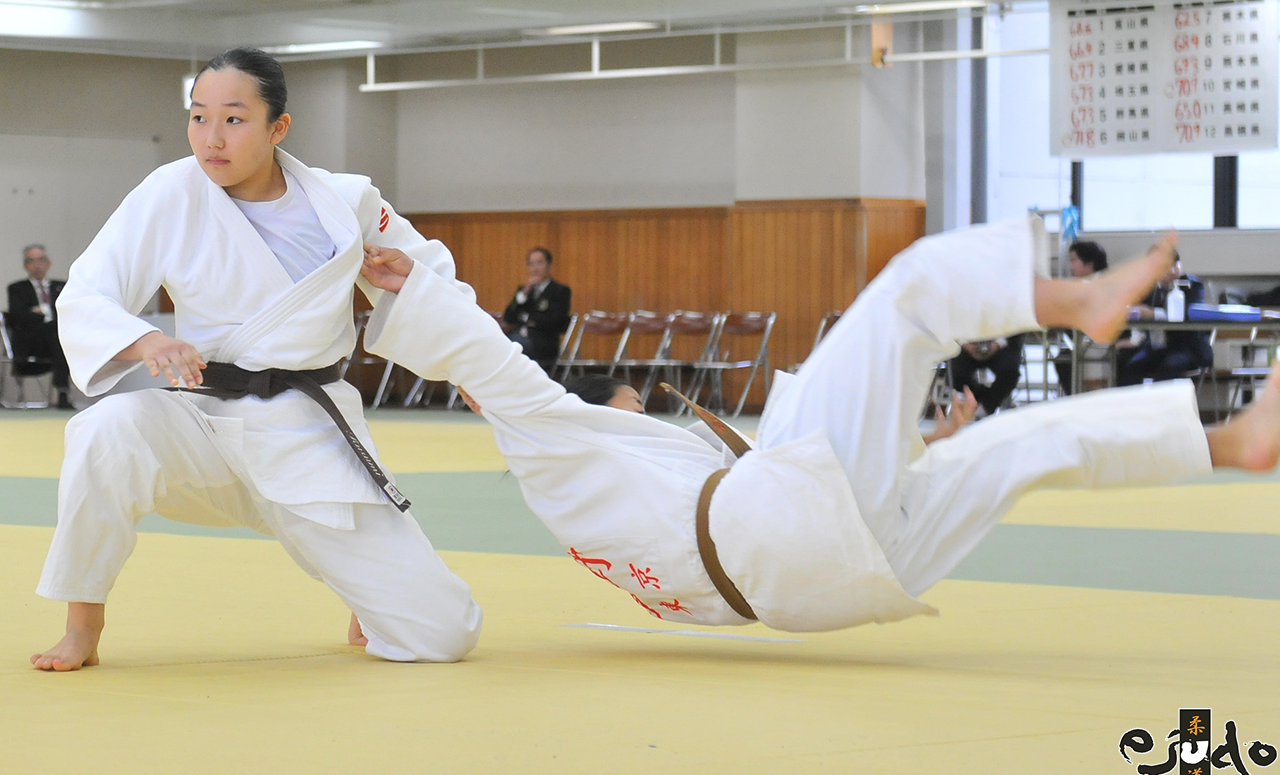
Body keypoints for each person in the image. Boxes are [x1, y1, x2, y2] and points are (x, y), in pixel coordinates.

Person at [353, 217, 1280, 636]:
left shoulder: (614, 477)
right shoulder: (552, 441)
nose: (631, 398)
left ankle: (1231, 442)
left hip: (822, 585)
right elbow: (490, 364)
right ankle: (1081, 297)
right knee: (909, 290)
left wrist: (924, 449)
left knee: (1022, 445)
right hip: (783, 537)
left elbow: (794, 494)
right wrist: (418, 287)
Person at [31, 47, 481, 672]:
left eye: (234, 120)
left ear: (279, 127)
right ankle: (83, 623)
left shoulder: (344, 203)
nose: (210, 139)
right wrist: (145, 341)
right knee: (103, 430)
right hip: (202, 425)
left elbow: (431, 278)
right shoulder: (169, 193)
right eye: (198, 117)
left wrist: (474, 369)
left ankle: (362, 584)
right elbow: (87, 291)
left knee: (442, 636)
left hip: (304, 430)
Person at [1116, 249, 1214, 387]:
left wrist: (1153, 314)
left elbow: (1187, 315)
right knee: (1130, 365)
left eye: (1174, 265)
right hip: (1157, 348)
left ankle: (1162, 407)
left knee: (1169, 366)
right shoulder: (1149, 288)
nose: (1170, 270)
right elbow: (1138, 317)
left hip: (1188, 348)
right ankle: (1130, 407)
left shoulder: (1192, 286)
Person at [6, 244, 72, 408]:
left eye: (41, 260)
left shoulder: (61, 287)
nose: (37, 265)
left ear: (48, 263)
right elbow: (18, 317)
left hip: (56, 341)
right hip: (31, 342)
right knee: (55, 330)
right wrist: (42, 314)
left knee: (58, 333)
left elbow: (69, 313)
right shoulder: (17, 289)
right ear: (25, 265)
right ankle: (62, 390)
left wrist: (39, 311)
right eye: (31, 260)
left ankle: (63, 390)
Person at [501, 247, 572, 374]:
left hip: (542, 342)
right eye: (531, 264)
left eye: (540, 263)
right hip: (519, 337)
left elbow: (556, 321)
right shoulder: (524, 291)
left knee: (512, 347)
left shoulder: (559, 291)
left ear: (549, 266)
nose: (535, 268)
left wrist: (527, 319)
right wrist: (523, 294)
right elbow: (509, 317)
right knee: (497, 343)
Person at [1055, 240, 1109, 396]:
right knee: (1063, 358)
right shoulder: (1081, 286)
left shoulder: (1103, 284)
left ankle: (1082, 399)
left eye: (1074, 261)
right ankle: (1075, 398)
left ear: (1089, 263)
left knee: (1078, 357)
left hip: (1103, 344)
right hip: (1083, 342)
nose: (1071, 266)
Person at [946, 334, 1025, 417]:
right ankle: (985, 400)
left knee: (1010, 372)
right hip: (963, 344)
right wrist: (963, 343)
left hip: (1003, 344)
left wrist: (998, 344)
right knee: (954, 374)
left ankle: (987, 405)